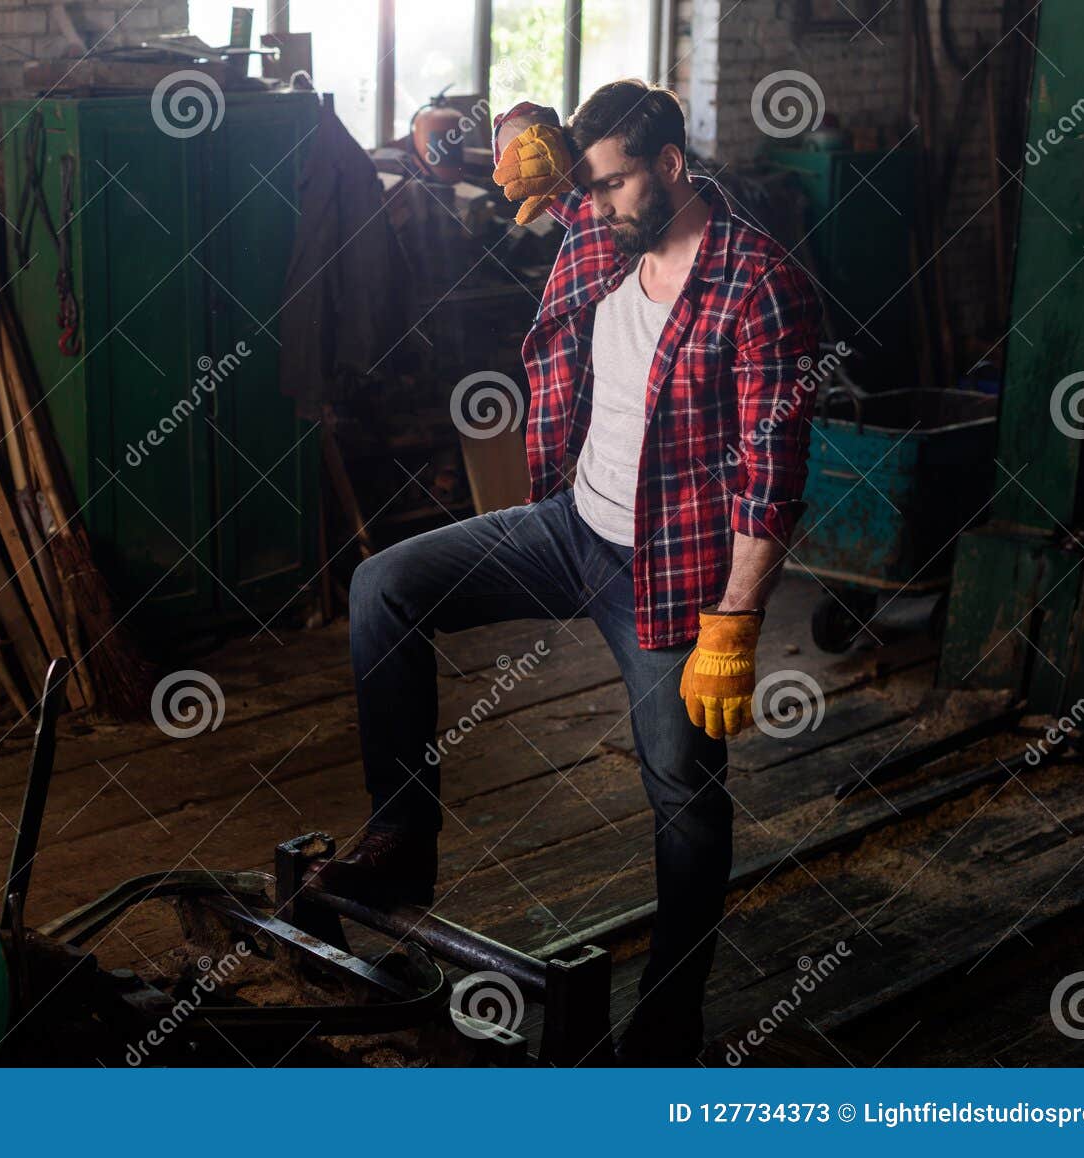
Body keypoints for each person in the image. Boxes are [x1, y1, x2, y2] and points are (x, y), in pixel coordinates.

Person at [308, 79, 823, 1064]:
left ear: (671, 167)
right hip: (569, 524)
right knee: (385, 589)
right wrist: (511, 130)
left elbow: (771, 477)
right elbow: (447, 153)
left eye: (613, 184)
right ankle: (401, 845)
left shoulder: (760, 286)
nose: (593, 205)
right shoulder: (603, 224)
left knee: (683, 792)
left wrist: (737, 623)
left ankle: (669, 1025)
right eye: (584, 187)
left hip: (673, 573)